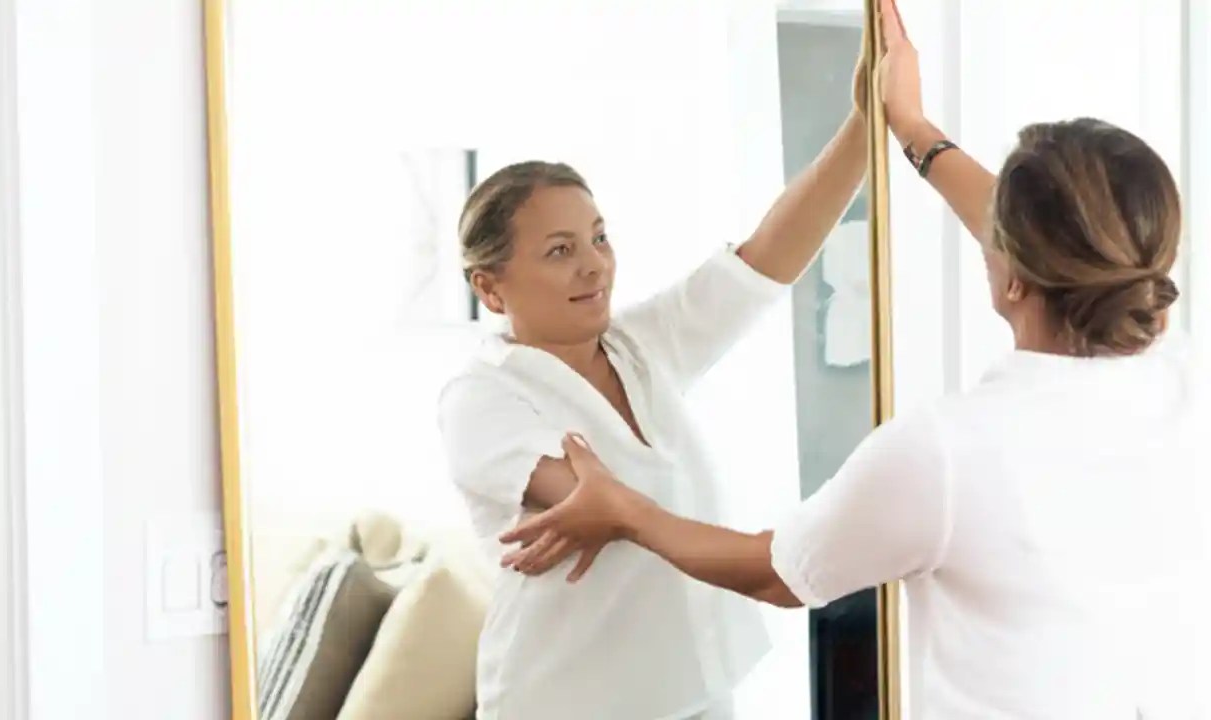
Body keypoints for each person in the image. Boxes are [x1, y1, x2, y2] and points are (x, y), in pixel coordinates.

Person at [499, 0, 1208, 717]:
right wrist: (913, 130)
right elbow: (1070, 245)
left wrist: (627, 511)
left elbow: (773, 572)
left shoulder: (948, 451)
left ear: (1015, 271)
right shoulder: (1180, 375)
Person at [435, 35, 872, 720]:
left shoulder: (640, 347)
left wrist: (864, 125)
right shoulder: (482, 397)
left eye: (599, 238)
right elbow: (593, 502)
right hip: (563, 704)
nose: (595, 266)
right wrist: (606, 506)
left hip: (691, 691)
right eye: (560, 251)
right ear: (491, 289)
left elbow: (765, 260)